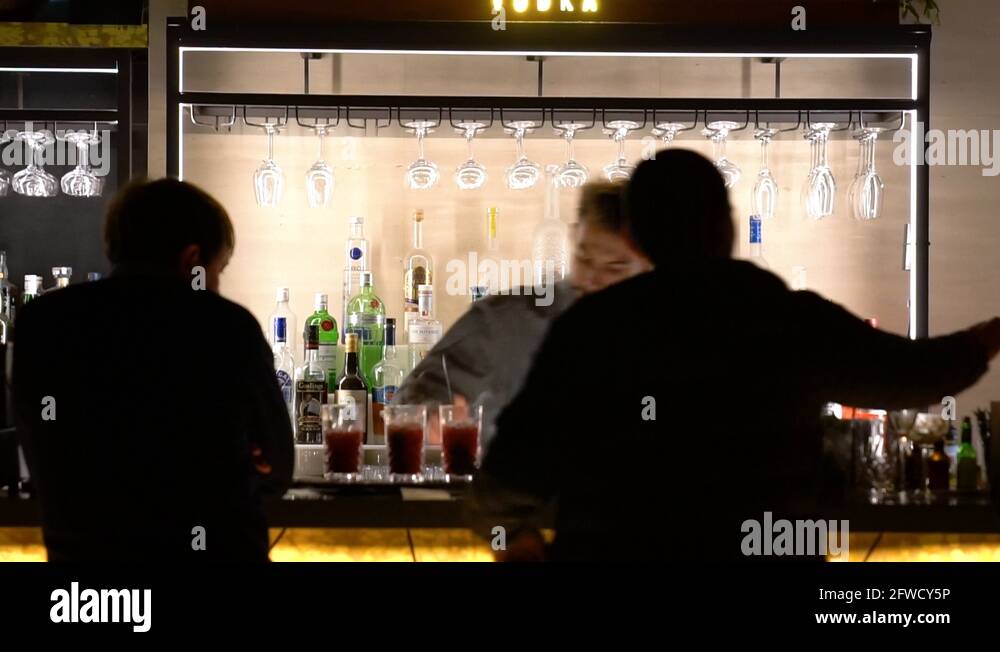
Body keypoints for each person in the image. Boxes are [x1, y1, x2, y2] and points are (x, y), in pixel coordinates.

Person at [473, 149, 1000, 562]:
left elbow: (509, 476)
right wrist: (991, 335)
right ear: (726, 224)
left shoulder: (592, 329)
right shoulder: (787, 319)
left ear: (633, 236)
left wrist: (516, 539)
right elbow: (916, 376)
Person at [13, 179, 293, 562]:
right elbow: (277, 467)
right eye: (218, 269)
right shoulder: (226, 326)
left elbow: (38, 448)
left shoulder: (42, 324)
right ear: (191, 259)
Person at [393, 181, 652, 447]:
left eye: (615, 266)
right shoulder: (506, 320)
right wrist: (430, 413)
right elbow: (412, 396)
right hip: (508, 487)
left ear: (649, 264)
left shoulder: (669, 338)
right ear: (574, 238)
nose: (592, 279)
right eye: (584, 259)